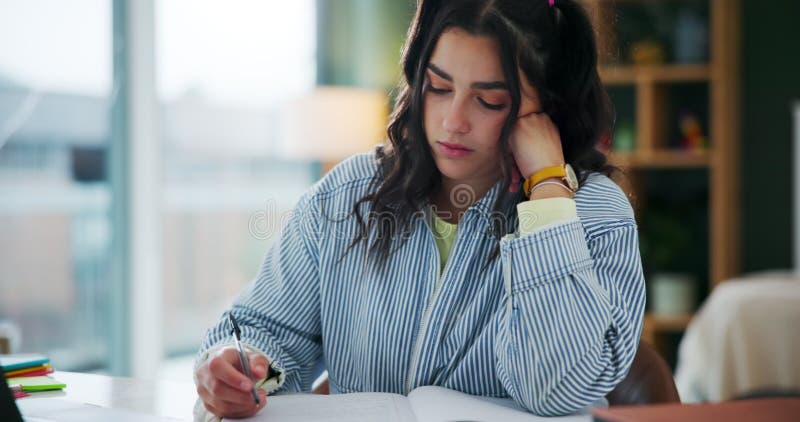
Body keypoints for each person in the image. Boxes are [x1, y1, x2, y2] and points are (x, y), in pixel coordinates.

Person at [193, 0, 645, 418]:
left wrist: (548, 192)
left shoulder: (594, 214)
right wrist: (243, 370)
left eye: (490, 101)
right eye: (438, 87)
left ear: (547, 107)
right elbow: (267, 330)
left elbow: (557, 387)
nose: (453, 121)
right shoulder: (348, 194)